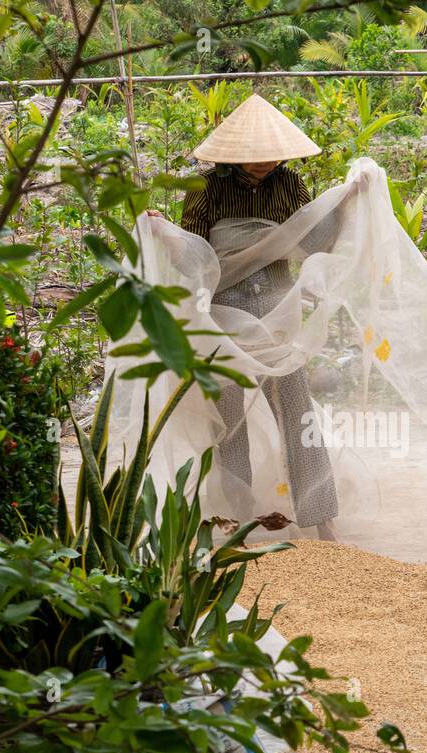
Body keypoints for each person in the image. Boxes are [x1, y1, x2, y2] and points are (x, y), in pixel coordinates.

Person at [148, 94, 339, 540]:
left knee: (296, 410)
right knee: (228, 416)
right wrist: (162, 232)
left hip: (276, 308)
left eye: (272, 156)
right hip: (223, 310)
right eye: (255, 157)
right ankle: (235, 518)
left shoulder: (291, 186)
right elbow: (191, 257)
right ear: (232, 156)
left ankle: (320, 516)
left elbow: (314, 242)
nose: (265, 163)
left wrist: (350, 200)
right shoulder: (207, 188)